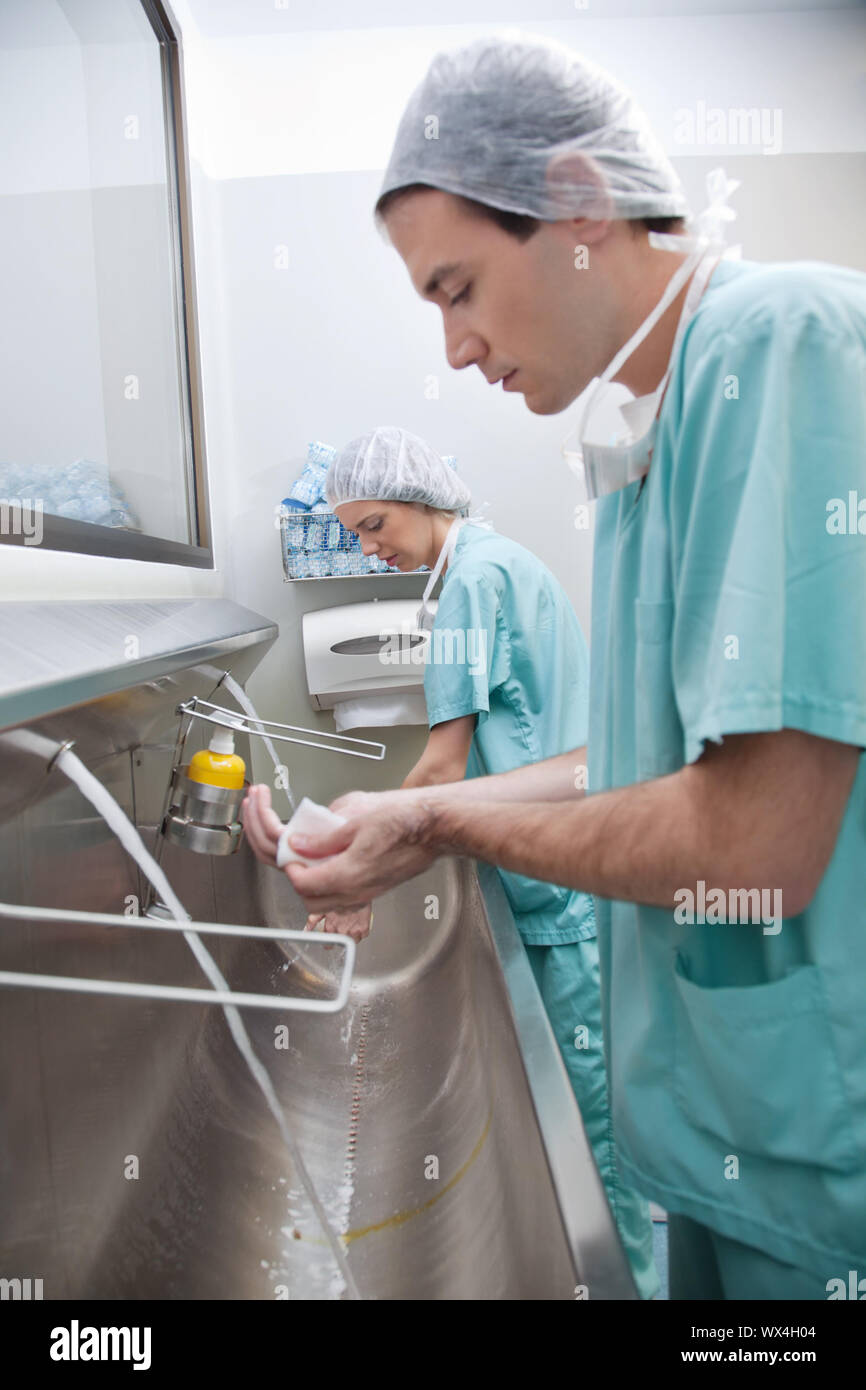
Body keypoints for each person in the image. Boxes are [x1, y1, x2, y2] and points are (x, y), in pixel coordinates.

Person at [245, 34, 866, 1298]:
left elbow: (747, 843)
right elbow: (617, 770)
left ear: (578, 201)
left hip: (812, 1169)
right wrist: (413, 816)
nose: (457, 349)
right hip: (714, 1136)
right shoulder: (635, 453)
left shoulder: (777, 345)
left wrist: (436, 812)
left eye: (458, 287)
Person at [245, 423, 660, 1299]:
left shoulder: (471, 582)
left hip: (553, 890)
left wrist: (352, 877)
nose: (371, 548)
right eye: (357, 532)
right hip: (565, 872)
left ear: (424, 500)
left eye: (375, 525)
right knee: (604, 1124)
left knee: (592, 1138)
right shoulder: (502, 564)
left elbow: (441, 768)